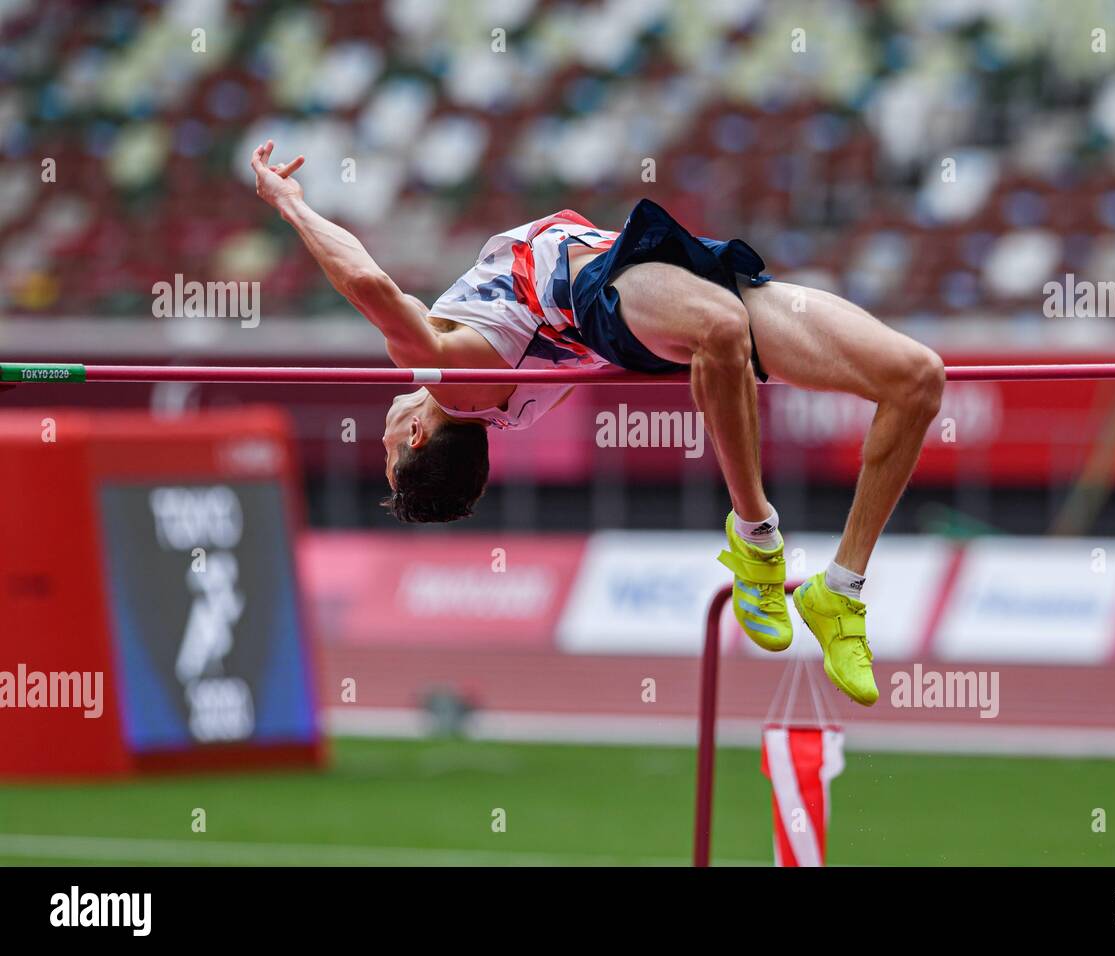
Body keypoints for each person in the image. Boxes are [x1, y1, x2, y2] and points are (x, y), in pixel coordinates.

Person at [251, 140, 945, 706]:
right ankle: (756, 540)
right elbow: (369, 285)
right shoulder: (447, 373)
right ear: (415, 436)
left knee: (917, 378)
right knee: (722, 330)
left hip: (660, 282)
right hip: (614, 290)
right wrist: (291, 205)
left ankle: (840, 590)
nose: (384, 425)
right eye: (384, 450)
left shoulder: (506, 403)